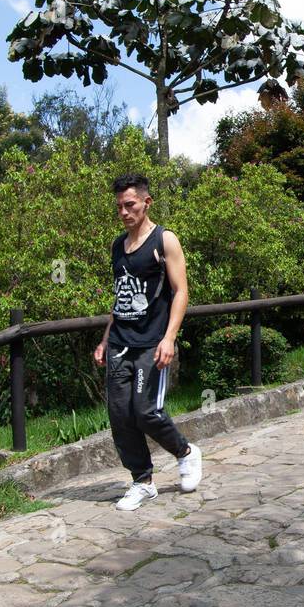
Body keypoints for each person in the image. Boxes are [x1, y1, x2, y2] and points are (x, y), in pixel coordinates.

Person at [94, 173, 203, 510]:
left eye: (131, 205)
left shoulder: (164, 240)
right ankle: (142, 481)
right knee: (119, 415)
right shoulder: (117, 246)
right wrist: (104, 340)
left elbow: (181, 291)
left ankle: (185, 452)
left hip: (152, 342)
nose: (125, 212)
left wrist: (169, 338)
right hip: (120, 342)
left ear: (146, 202)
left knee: (145, 411)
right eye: (120, 207)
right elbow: (121, 299)